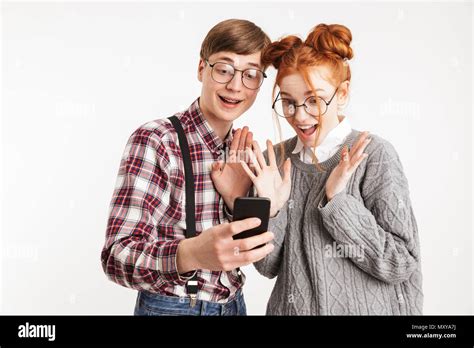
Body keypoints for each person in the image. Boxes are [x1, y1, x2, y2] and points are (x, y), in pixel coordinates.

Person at [213, 23, 423, 315]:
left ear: (342, 94)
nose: (300, 116)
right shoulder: (274, 159)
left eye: (314, 100)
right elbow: (267, 266)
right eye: (288, 103)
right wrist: (272, 208)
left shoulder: (374, 155)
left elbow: (400, 263)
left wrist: (337, 202)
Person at [101, 19, 275, 316]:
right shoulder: (157, 140)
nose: (235, 86)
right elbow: (117, 256)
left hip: (235, 305)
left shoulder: (241, 152)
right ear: (201, 69)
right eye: (223, 69)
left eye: (251, 75)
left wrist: (248, 205)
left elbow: (254, 257)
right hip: (175, 307)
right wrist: (191, 253)